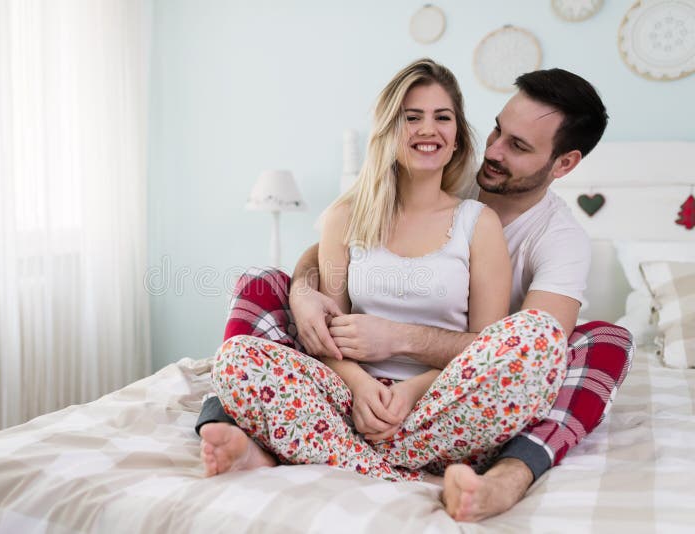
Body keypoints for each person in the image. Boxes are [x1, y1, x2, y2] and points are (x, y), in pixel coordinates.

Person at [202, 58, 568, 484]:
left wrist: (409, 392)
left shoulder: (478, 222)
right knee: (236, 360)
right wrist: (359, 388)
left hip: (442, 404)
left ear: (456, 139)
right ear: (389, 131)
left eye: (442, 117)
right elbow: (324, 339)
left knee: (540, 337)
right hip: (348, 399)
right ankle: (385, 467)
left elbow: (485, 345)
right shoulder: (344, 217)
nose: (428, 129)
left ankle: (343, 455)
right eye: (411, 117)